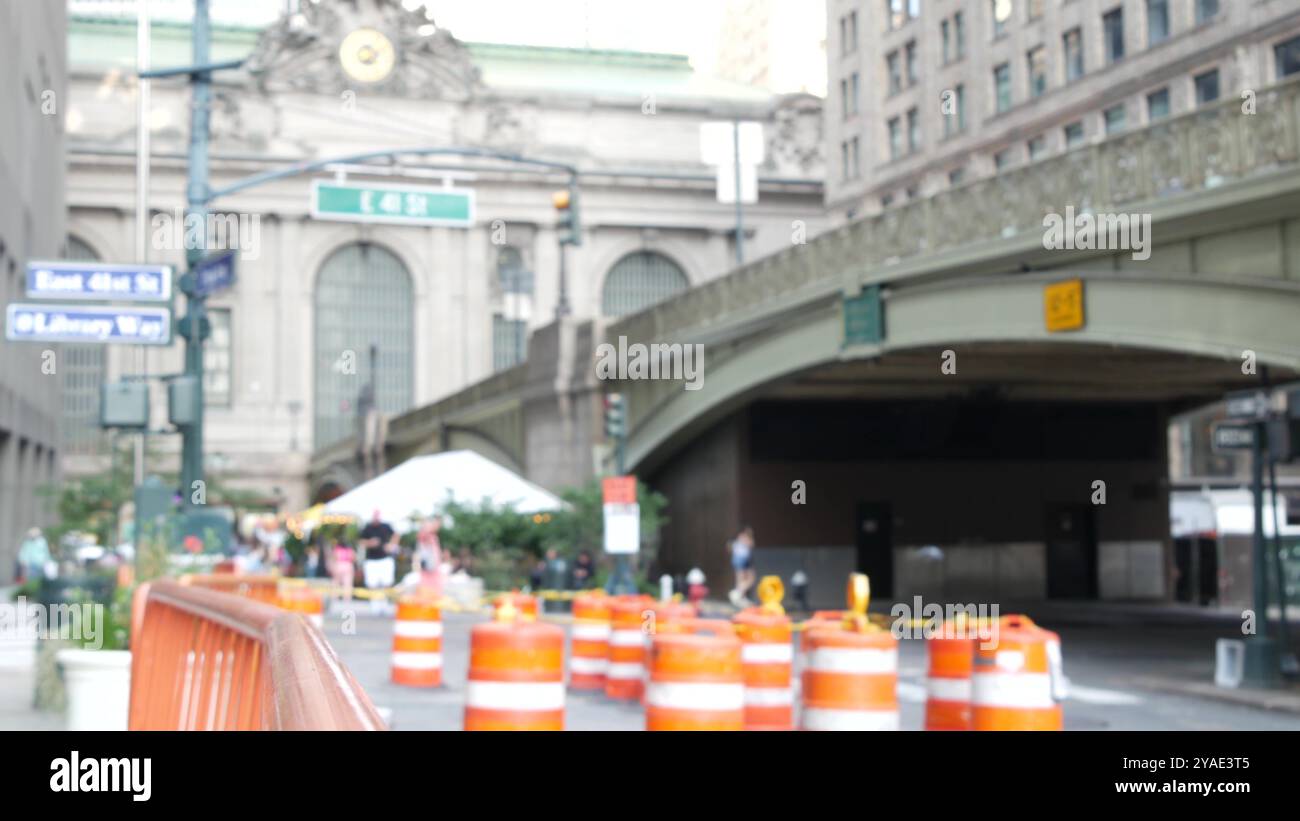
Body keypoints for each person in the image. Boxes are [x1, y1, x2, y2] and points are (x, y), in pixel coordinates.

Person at [358, 509, 398, 614]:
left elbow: (396, 535)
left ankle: (384, 605)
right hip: (372, 560)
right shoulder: (367, 528)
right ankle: (375, 606)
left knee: (386, 583)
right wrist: (370, 543)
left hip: (385, 559)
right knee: (373, 584)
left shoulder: (386, 526)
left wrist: (391, 545)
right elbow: (361, 541)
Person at [412, 516, 444, 597]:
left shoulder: (434, 537)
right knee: (426, 592)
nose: (438, 526)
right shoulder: (425, 535)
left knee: (435, 593)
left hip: (434, 570)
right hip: (427, 571)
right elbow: (421, 535)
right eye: (436, 523)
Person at [727, 525, 756, 608]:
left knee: (743, 579)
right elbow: (751, 544)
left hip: (740, 560)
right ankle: (737, 593)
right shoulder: (743, 538)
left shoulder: (738, 540)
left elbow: (730, 547)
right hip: (742, 560)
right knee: (747, 579)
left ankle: (740, 596)